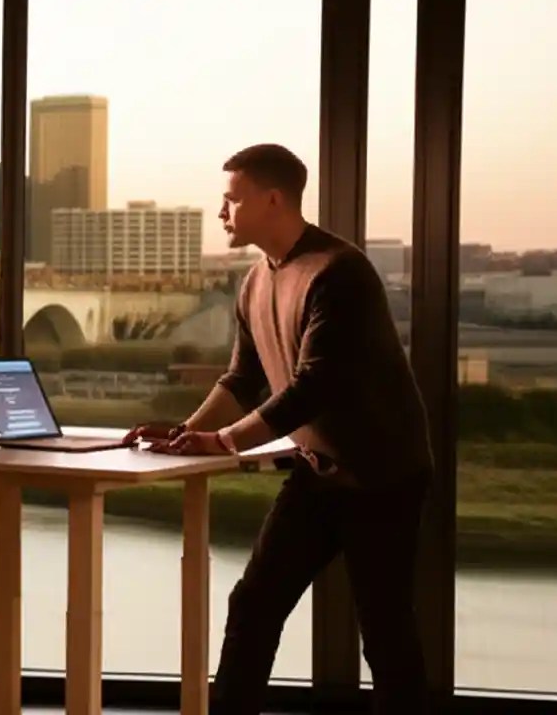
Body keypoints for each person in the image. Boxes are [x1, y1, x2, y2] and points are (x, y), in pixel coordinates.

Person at [122, 144, 433, 714]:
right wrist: (187, 432)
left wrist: (225, 442)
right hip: (317, 472)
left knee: (384, 630)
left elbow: (314, 385)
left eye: (231, 199)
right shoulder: (254, 282)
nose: (222, 211)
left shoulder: (340, 272)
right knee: (254, 606)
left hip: (382, 476)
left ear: (272, 199)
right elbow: (243, 378)